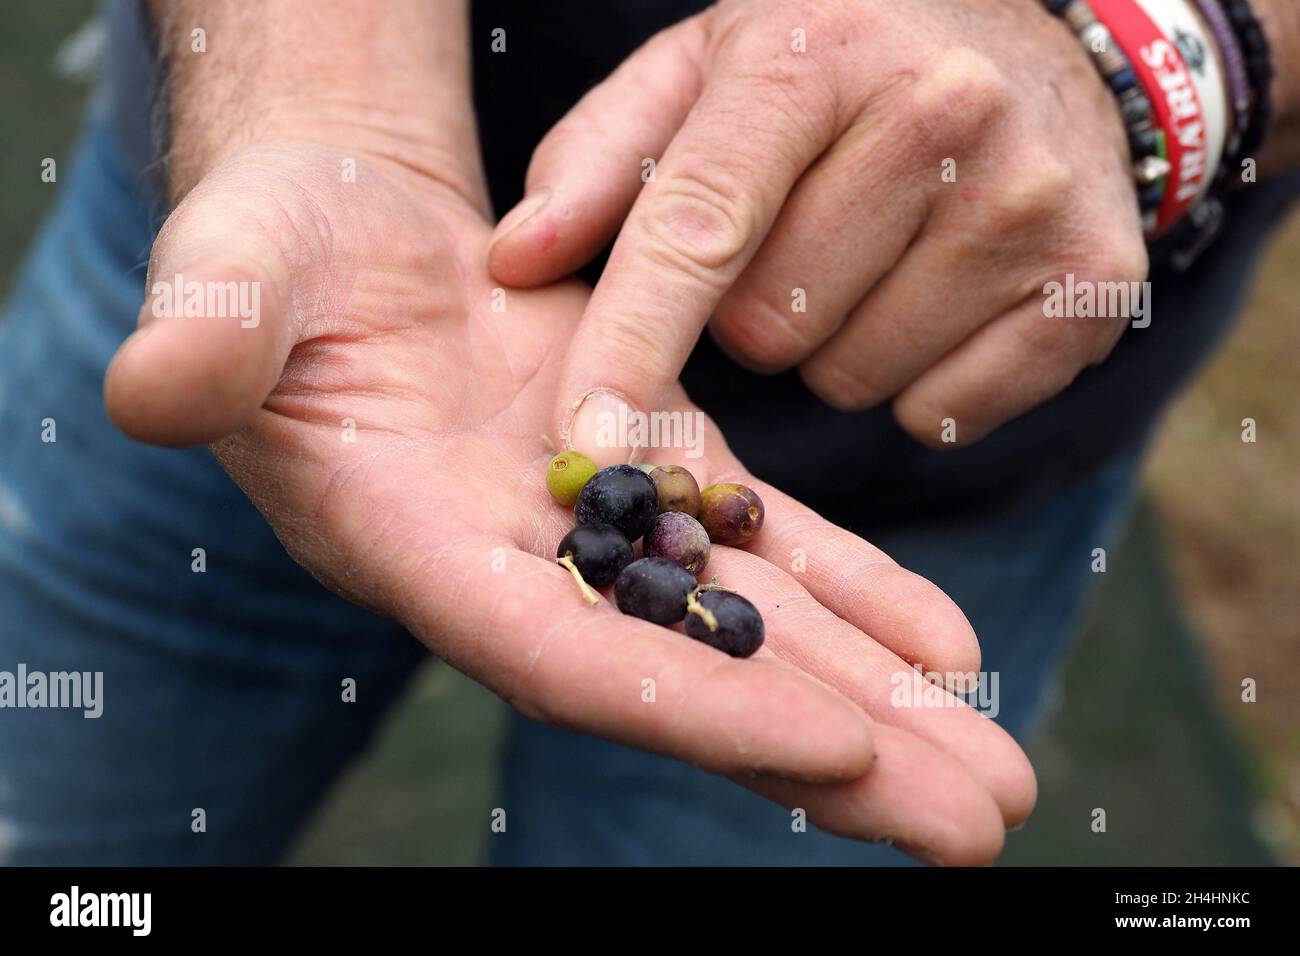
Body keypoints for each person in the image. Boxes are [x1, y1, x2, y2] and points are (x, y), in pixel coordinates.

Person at [0, 0, 1295, 866]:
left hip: (949, 457)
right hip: (307, 325)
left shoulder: (657, 536)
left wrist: (1162, 53)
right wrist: (335, 121)